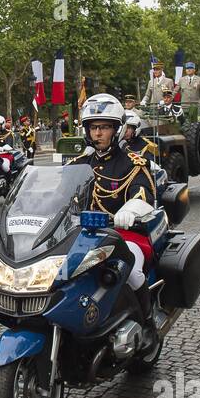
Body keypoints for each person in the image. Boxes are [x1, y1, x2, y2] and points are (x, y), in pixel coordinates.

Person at [69, 94, 162, 326]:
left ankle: (147, 321)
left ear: (117, 129)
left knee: (129, 271)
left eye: (105, 127)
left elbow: (143, 193)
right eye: (93, 127)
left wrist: (131, 209)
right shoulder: (79, 164)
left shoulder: (132, 163)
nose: (98, 133)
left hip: (123, 235)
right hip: (81, 236)